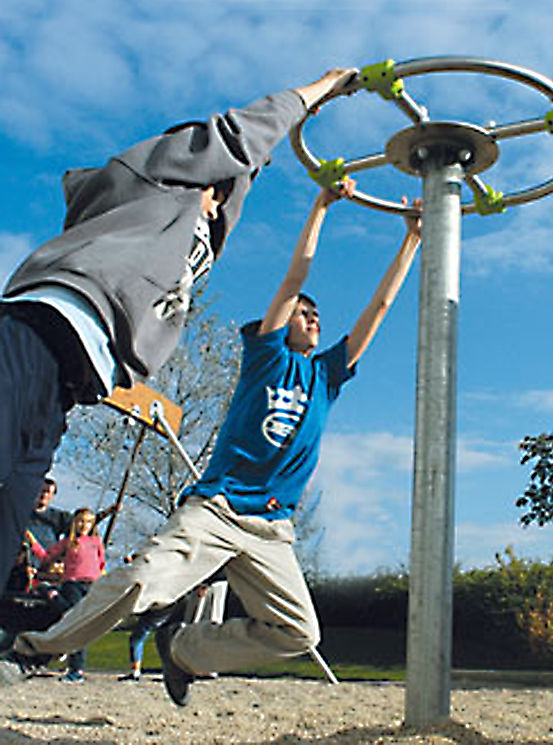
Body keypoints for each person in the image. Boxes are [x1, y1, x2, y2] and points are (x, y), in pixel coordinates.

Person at [4, 180, 422, 705]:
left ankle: (183, 652)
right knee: (142, 585)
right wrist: (320, 207)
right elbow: (296, 278)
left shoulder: (327, 377)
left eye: (318, 316)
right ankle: (34, 650)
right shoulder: (268, 356)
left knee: (298, 632)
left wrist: (412, 239)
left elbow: (379, 308)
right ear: (282, 320)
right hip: (218, 510)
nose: (313, 319)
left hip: (271, 528)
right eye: (304, 313)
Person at [0, 68, 357, 592]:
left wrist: (264, 172)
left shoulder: (203, 230)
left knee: (11, 511)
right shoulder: (150, 180)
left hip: (68, 385)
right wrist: (314, 93)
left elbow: (244, 168)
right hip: (37, 331)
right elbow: (241, 136)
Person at [26, 507, 105, 683]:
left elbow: (101, 563)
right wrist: (33, 541)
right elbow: (46, 557)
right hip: (72, 584)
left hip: (91, 584)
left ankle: (75, 666)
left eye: (88, 521)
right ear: (74, 523)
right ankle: (75, 669)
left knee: (83, 624)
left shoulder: (96, 541)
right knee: (75, 621)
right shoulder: (68, 543)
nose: (84, 525)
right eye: (80, 521)